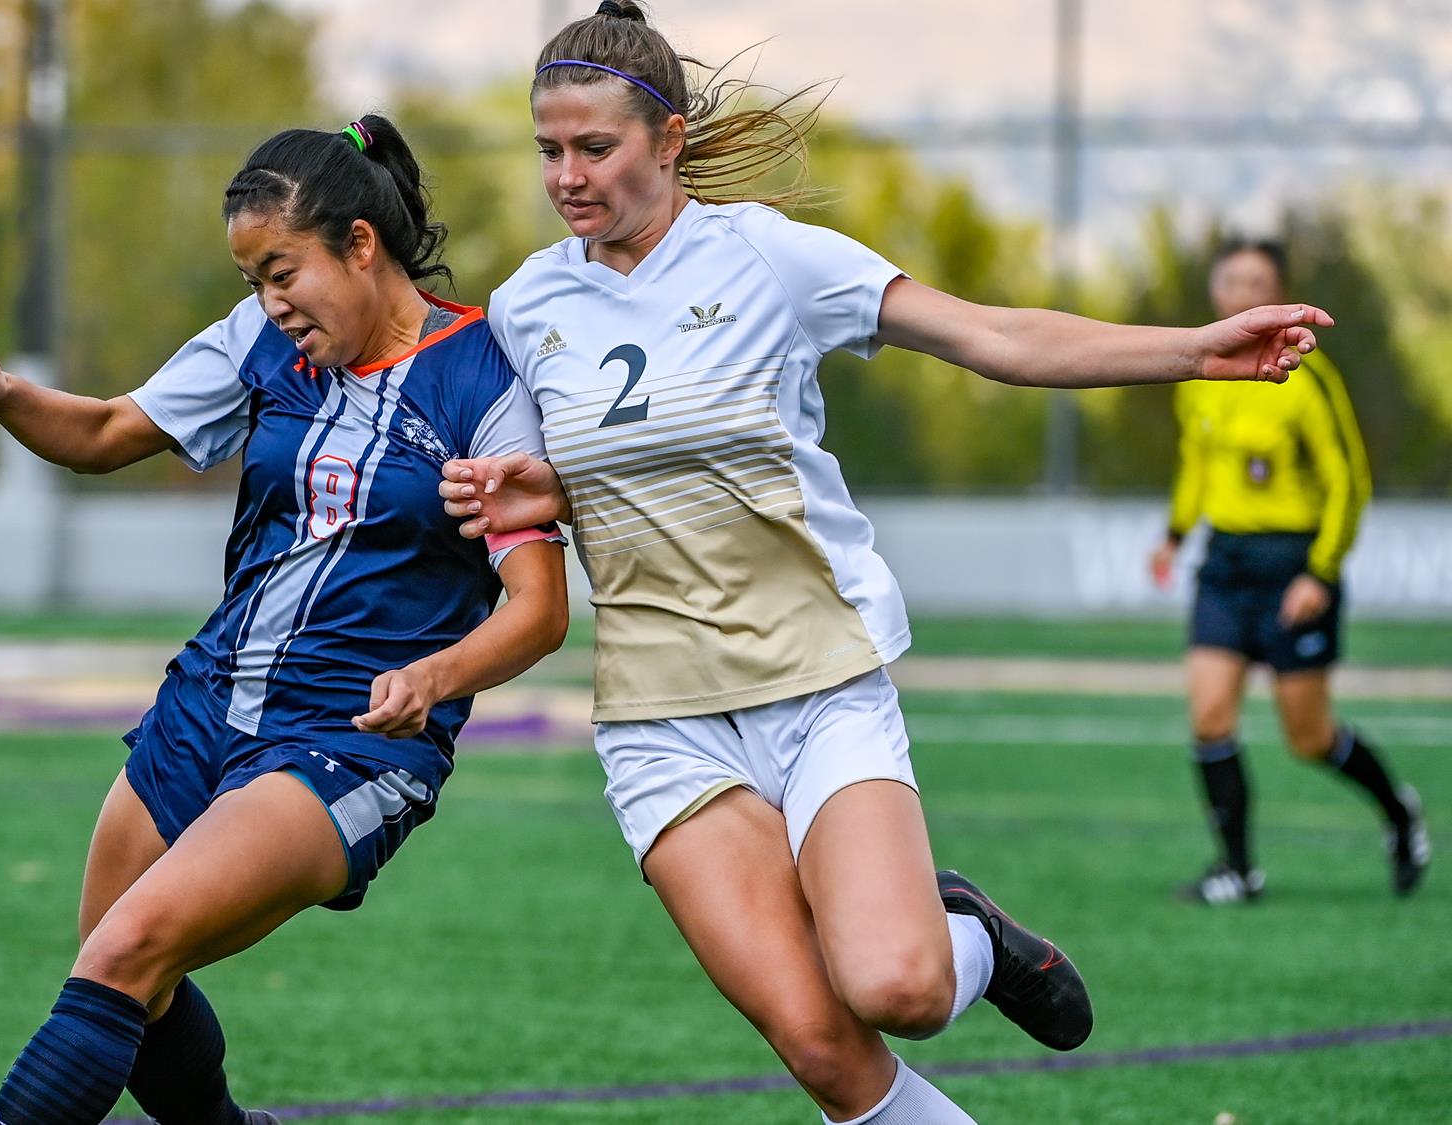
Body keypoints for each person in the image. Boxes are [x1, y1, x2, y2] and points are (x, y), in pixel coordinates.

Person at [439, 4, 1335, 1122]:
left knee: (897, 988)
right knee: (825, 1051)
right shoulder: (526, 305)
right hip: (660, 717)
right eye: (548, 151)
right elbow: (576, 475)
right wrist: (539, 489)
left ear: (668, 140)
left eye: (594, 147)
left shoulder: (767, 256)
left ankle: (972, 936)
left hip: (816, 681)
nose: (567, 178)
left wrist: (1190, 351)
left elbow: (991, 336)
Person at [0, 115, 569, 1125]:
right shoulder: (262, 341)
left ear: (360, 243)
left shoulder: (482, 374)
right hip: (205, 701)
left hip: (347, 737)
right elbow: (106, 431)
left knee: (129, 952)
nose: (269, 302)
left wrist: (434, 678)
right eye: (253, 279)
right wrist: (1, 392)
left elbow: (540, 610)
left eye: (281, 272)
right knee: (118, 966)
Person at [1150, 238, 1428, 905]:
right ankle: (1238, 869)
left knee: (1309, 737)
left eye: (1258, 281)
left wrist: (1320, 574)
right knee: (1209, 717)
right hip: (1225, 565)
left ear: (1277, 294)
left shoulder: (1307, 377)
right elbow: (1197, 464)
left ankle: (1399, 812)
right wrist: (1176, 534)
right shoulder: (1199, 375)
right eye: (1232, 279)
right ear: (1215, 290)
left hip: (1292, 567)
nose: (1243, 292)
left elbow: (1348, 482)